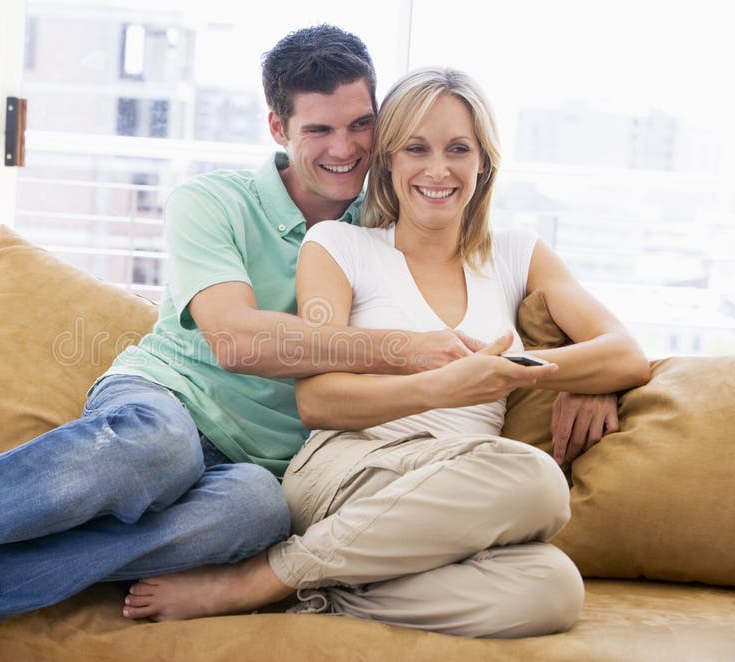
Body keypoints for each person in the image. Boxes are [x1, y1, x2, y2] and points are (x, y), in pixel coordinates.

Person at [0, 27, 492, 627]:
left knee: (258, 514)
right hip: (165, 401)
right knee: (161, 447)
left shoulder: (390, 217)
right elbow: (238, 340)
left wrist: (592, 376)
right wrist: (398, 349)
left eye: (360, 124)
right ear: (278, 127)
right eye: (320, 129)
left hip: (259, 464)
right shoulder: (213, 202)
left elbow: (496, 276)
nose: (346, 149)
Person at [120, 66, 652, 638]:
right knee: (538, 481)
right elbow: (319, 400)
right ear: (389, 161)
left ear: (484, 162)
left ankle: (322, 589)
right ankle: (258, 579)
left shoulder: (519, 254)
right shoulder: (339, 247)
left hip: (459, 484)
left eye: (459, 149)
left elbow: (625, 354)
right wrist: (445, 387)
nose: (438, 169)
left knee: (552, 590)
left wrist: (538, 375)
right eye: (416, 148)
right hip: (347, 468)